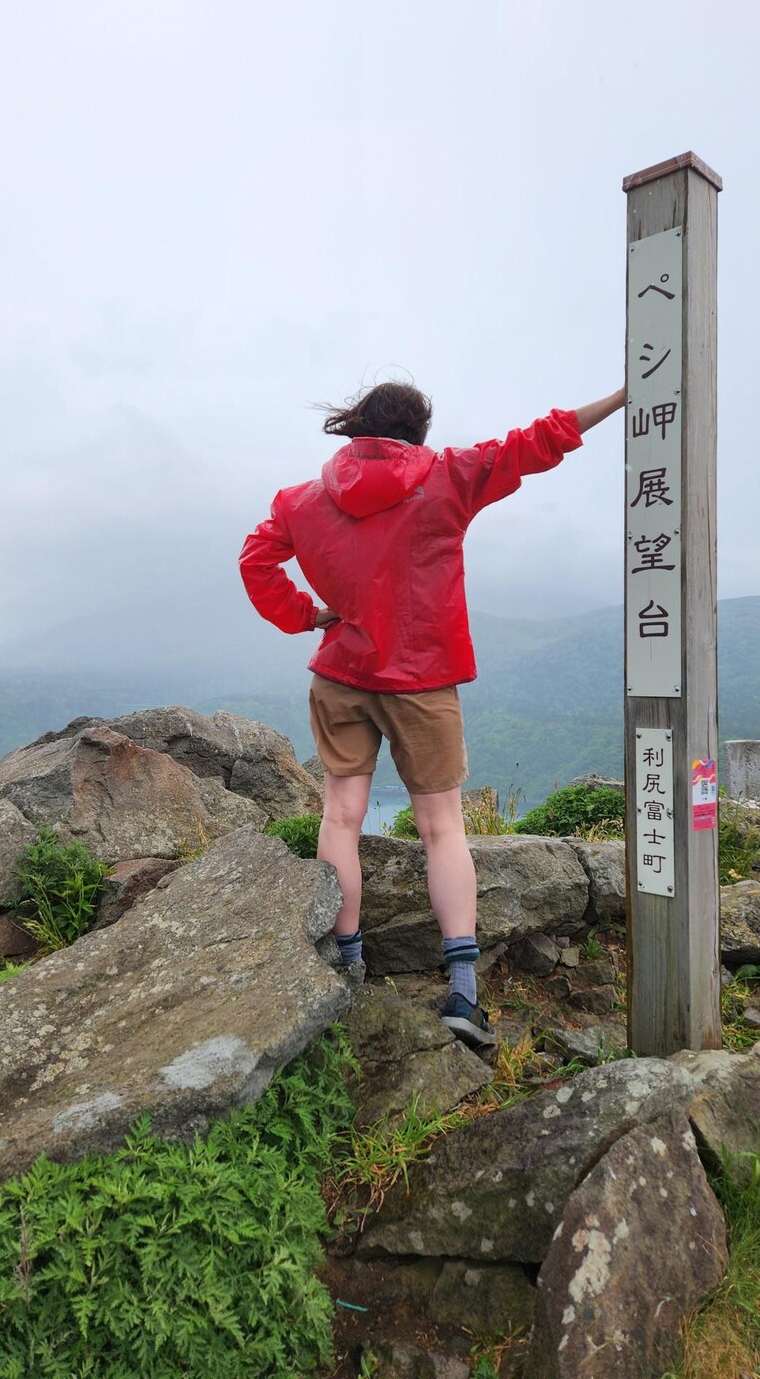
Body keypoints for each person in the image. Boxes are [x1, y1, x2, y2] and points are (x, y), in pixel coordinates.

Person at [239, 380, 625, 1047]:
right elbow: (537, 441)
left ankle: (348, 964)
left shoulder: (300, 501)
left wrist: (308, 615)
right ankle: (462, 993)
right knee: (442, 829)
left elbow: (256, 561)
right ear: (418, 430)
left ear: (358, 428)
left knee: (340, 816)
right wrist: (622, 396)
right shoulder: (449, 475)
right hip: (423, 680)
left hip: (340, 674)